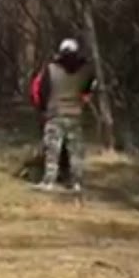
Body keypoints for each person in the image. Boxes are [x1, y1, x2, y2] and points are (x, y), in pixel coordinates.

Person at [28, 37, 96, 192]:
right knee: (75, 151)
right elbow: (88, 90)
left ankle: (49, 182)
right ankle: (76, 182)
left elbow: (42, 91)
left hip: (55, 113)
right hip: (75, 114)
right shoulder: (85, 71)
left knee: (52, 150)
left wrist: (43, 110)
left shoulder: (51, 69)